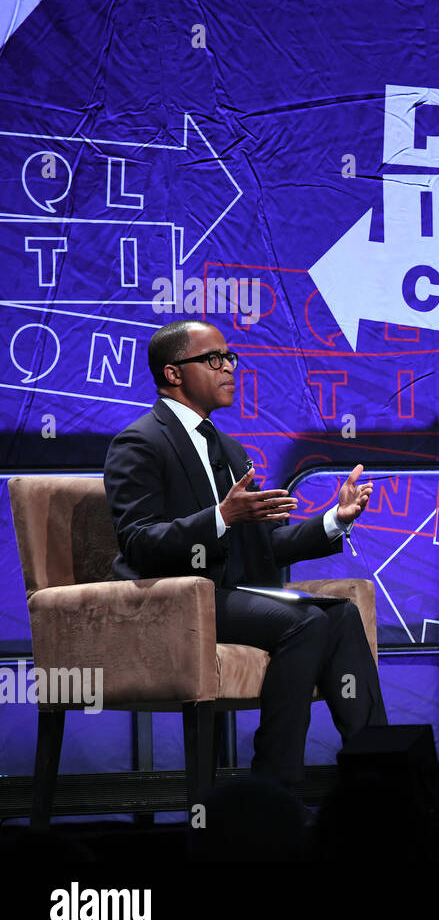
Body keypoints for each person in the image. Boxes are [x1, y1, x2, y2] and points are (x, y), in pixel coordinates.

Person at [104, 319, 387, 783]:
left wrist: (335, 519)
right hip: (174, 600)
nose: (228, 368)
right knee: (306, 624)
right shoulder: (139, 443)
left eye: (229, 358)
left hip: (232, 594)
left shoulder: (229, 449)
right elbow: (139, 541)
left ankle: (382, 775)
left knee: (341, 614)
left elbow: (266, 547)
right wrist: (222, 517)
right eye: (213, 359)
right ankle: (275, 784)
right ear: (174, 373)